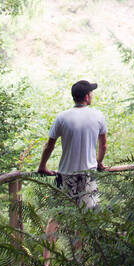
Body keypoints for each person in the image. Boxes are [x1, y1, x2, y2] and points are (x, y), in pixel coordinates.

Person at [37, 79, 108, 211]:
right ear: (87, 96)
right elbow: (103, 145)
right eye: (91, 93)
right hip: (88, 174)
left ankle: (51, 233)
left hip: (66, 174)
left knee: (59, 214)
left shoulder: (62, 117)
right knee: (88, 216)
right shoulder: (98, 116)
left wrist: (42, 166)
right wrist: (99, 162)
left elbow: (49, 146)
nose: (92, 95)